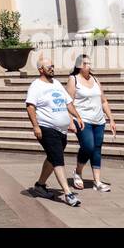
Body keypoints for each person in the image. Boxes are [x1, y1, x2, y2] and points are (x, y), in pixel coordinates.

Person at [25, 56, 84, 207]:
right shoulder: (36, 86)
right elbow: (30, 106)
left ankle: (40, 185)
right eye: (49, 66)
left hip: (61, 130)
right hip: (46, 128)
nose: (52, 68)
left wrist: (77, 116)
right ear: (40, 70)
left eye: (52, 65)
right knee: (58, 159)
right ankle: (68, 193)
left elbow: (68, 102)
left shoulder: (56, 83)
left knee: (52, 157)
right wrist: (36, 126)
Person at [68, 54, 116, 191]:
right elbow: (68, 102)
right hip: (82, 120)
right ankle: (78, 172)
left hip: (99, 120)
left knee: (97, 148)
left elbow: (104, 101)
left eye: (89, 62)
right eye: (86, 63)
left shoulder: (95, 79)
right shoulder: (73, 79)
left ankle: (97, 181)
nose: (89, 65)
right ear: (79, 66)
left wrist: (111, 119)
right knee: (88, 146)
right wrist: (71, 121)